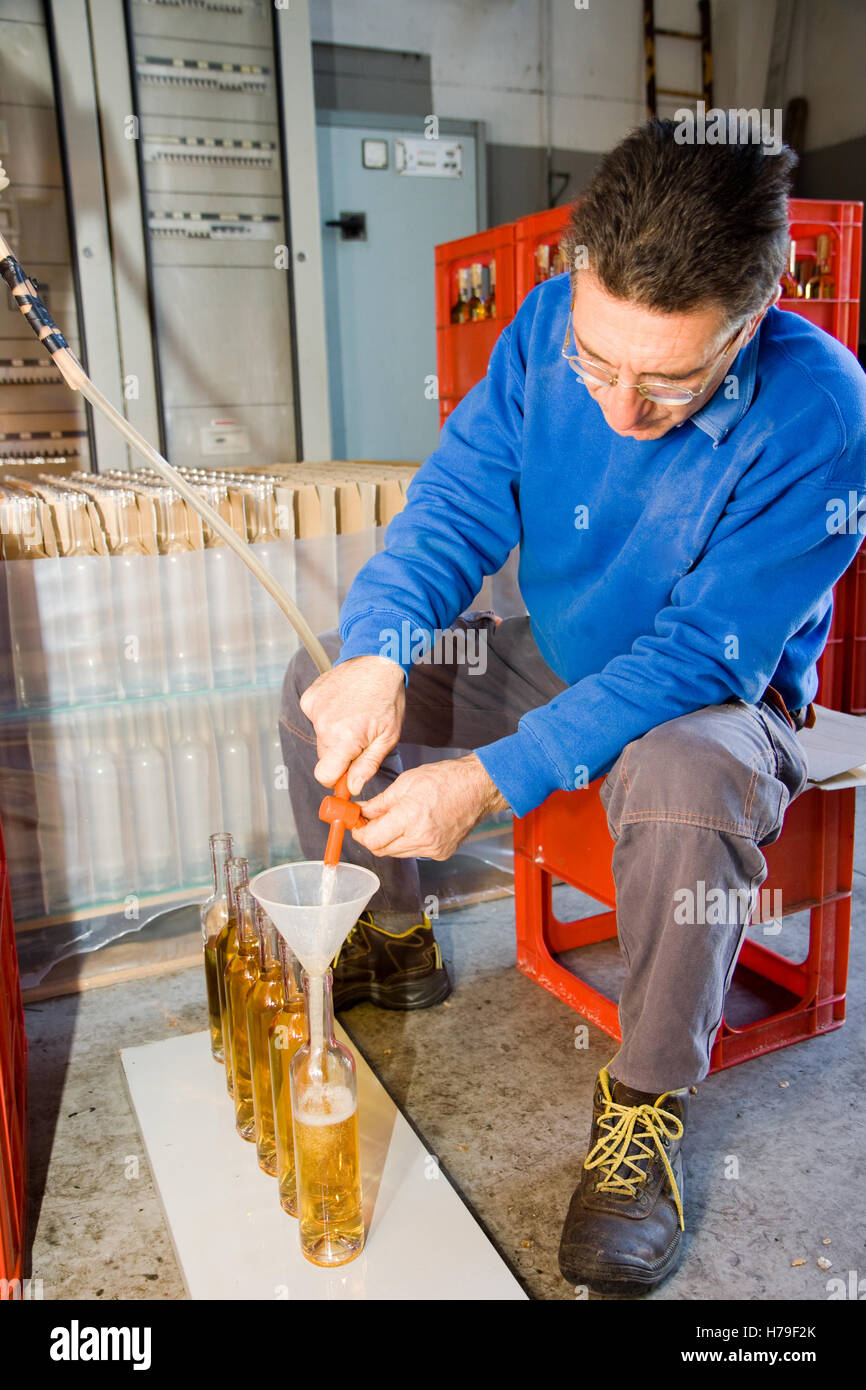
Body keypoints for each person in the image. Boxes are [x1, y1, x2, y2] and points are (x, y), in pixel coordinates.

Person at [279, 118, 866, 1294]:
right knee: (320, 678)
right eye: (600, 367)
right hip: (554, 656)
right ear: (579, 289)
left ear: (749, 321)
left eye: (668, 381)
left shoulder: (821, 410)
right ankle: (394, 939)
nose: (619, 408)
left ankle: (643, 1108)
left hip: (707, 696)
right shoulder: (545, 325)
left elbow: (697, 653)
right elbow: (450, 510)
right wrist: (383, 651)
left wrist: (489, 778)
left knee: (688, 779)